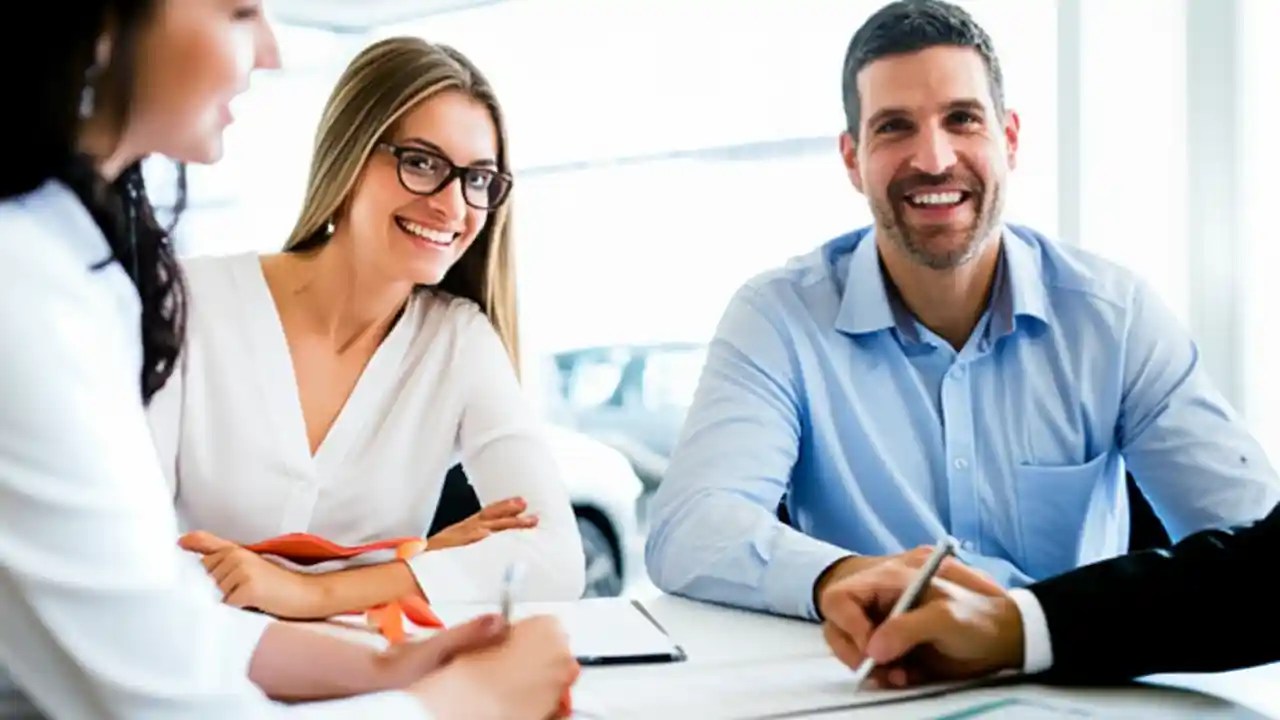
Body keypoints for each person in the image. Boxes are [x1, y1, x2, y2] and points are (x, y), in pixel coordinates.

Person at [0, 2, 576, 718]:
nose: (269, 49)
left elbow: (164, 613)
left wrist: (341, 606)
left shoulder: (76, 270)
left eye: (480, 179)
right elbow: (156, 658)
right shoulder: (68, 287)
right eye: (423, 163)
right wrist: (453, 685)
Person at [645, 0, 1279, 624]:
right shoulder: (780, 317)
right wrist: (844, 577)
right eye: (894, 126)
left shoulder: (1114, 319)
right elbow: (689, 529)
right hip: (870, 680)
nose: (935, 158)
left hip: (1071, 679)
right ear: (851, 160)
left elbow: (1259, 545)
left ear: (1008, 138)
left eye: (962, 119)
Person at [145, 36, 586, 619]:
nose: (453, 207)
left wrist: (321, 591)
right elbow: (118, 546)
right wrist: (412, 568)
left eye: (478, 179)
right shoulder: (191, 302)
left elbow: (556, 558)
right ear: (350, 155)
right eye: (422, 163)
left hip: (360, 690)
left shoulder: (458, 341)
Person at [820, 499, 1280, 686]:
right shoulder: (778, 316)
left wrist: (1008, 622)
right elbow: (1259, 572)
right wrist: (1010, 626)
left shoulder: (1116, 313)